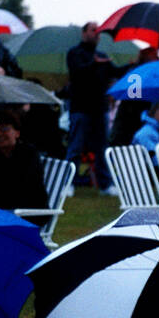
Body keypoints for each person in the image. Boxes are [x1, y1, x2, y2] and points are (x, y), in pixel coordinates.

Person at [65, 20, 122, 193]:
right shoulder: (74, 53)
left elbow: (116, 72)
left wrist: (135, 65)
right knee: (75, 147)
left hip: (100, 109)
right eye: (93, 30)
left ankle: (105, 184)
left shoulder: (102, 55)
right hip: (80, 108)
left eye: (98, 31)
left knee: (102, 149)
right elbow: (77, 72)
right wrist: (94, 64)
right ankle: (68, 183)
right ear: (84, 33)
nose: (96, 33)